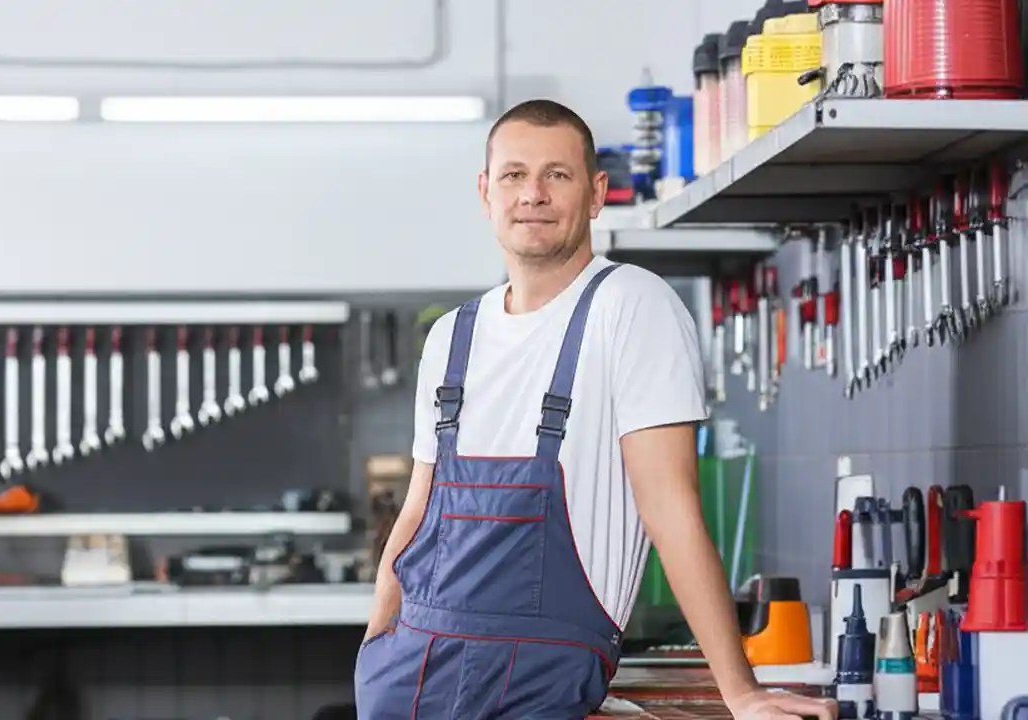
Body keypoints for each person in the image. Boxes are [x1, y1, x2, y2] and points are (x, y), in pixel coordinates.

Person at [352, 99, 838, 720]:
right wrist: (374, 647)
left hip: (538, 691)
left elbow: (671, 508)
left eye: (557, 174)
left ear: (595, 193)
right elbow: (417, 512)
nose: (533, 193)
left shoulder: (631, 307)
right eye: (513, 175)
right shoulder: (452, 335)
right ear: (485, 192)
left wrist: (740, 694)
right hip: (408, 681)